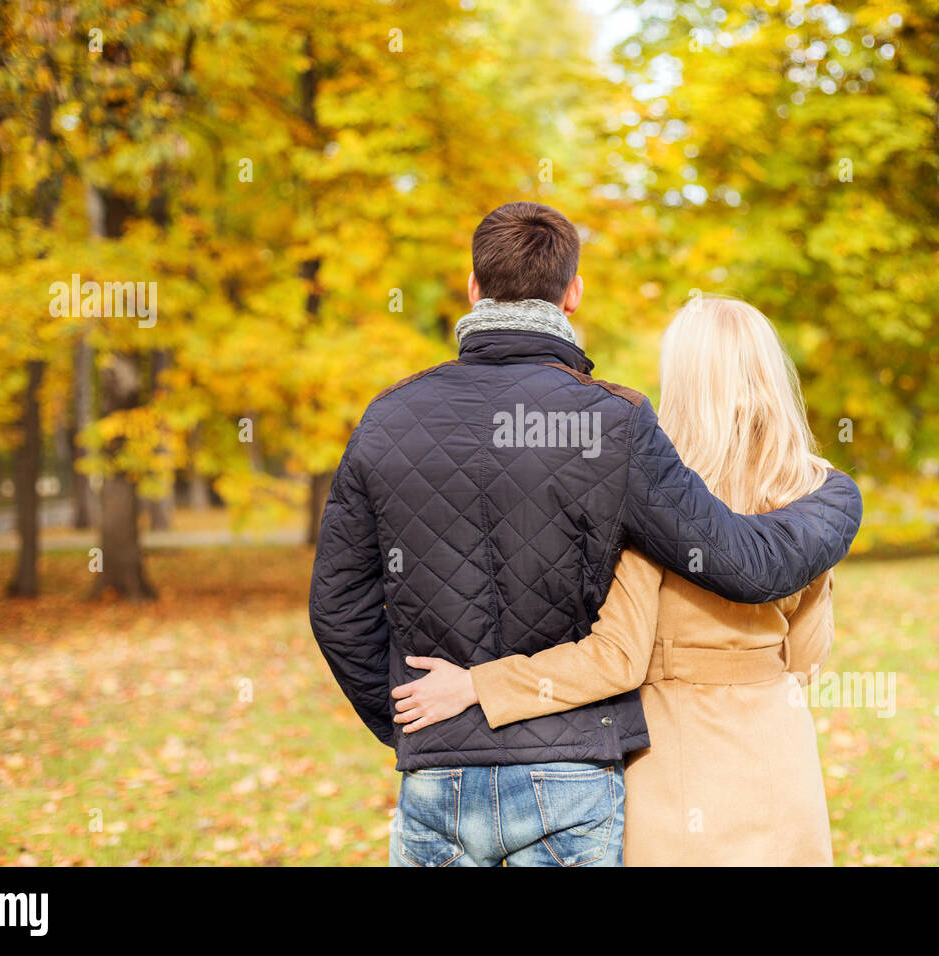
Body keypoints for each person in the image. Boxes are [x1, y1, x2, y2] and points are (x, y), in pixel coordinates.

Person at [310, 202, 861, 867]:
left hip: (446, 768)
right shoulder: (614, 425)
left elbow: (338, 606)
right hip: (582, 771)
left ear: (472, 287)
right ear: (574, 293)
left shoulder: (388, 416)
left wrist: (420, 721)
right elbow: (749, 571)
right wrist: (833, 500)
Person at [393, 295, 841, 865]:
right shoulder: (809, 490)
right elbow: (804, 656)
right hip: (780, 755)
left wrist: (480, 684)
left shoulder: (656, 492)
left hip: (677, 759)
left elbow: (616, 659)